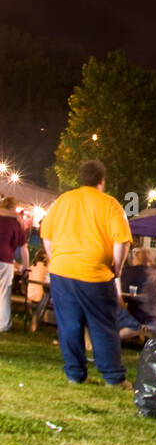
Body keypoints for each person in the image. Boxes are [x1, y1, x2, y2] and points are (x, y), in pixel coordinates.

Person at [38, 160, 133, 389]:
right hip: (95, 273)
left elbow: (46, 234)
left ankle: (74, 375)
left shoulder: (63, 201)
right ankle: (113, 377)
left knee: (69, 324)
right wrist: (117, 268)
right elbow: (121, 241)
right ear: (102, 180)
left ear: (81, 178)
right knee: (102, 325)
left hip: (62, 270)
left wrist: (54, 258)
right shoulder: (110, 205)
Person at [0, 196, 29, 333]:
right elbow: (23, 248)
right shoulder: (15, 223)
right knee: (4, 293)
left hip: (6, 259)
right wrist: (25, 266)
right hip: (5, 260)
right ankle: (3, 324)